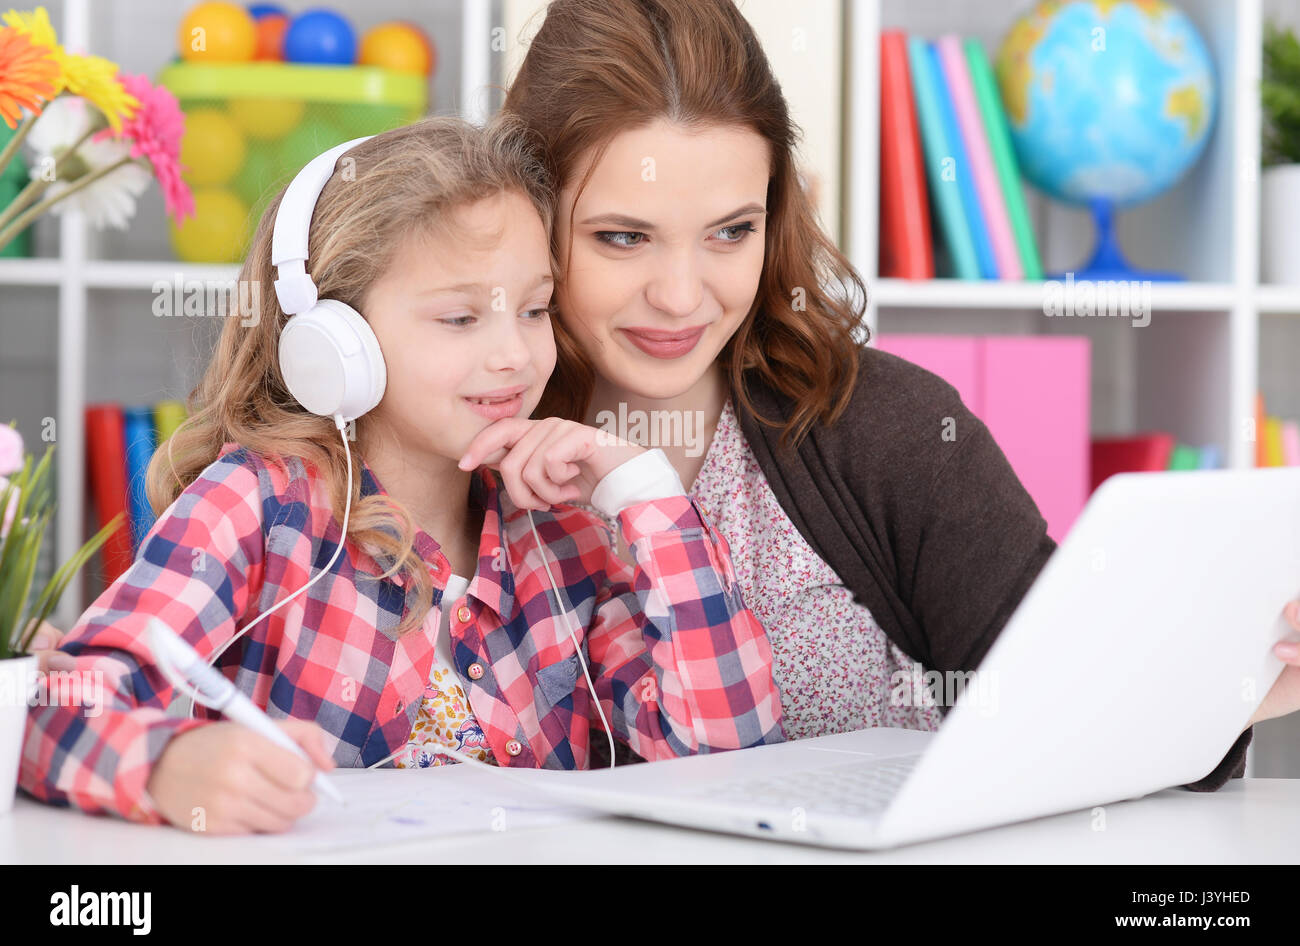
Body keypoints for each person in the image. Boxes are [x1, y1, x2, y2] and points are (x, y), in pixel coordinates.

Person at [496, 0, 1300, 781]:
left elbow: (1074, 705)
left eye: (731, 231)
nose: (680, 295)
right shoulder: (463, 441)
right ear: (530, 211)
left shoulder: (888, 429)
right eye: (624, 237)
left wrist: (1240, 688)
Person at [19, 115, 784, 835]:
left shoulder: (562, 538)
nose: (515, 356)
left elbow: (728, 756)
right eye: (460, 318)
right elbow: (53, 706)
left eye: (534, 309)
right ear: (333, 341)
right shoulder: (258, 506)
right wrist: (165, 766)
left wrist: (644, 493)